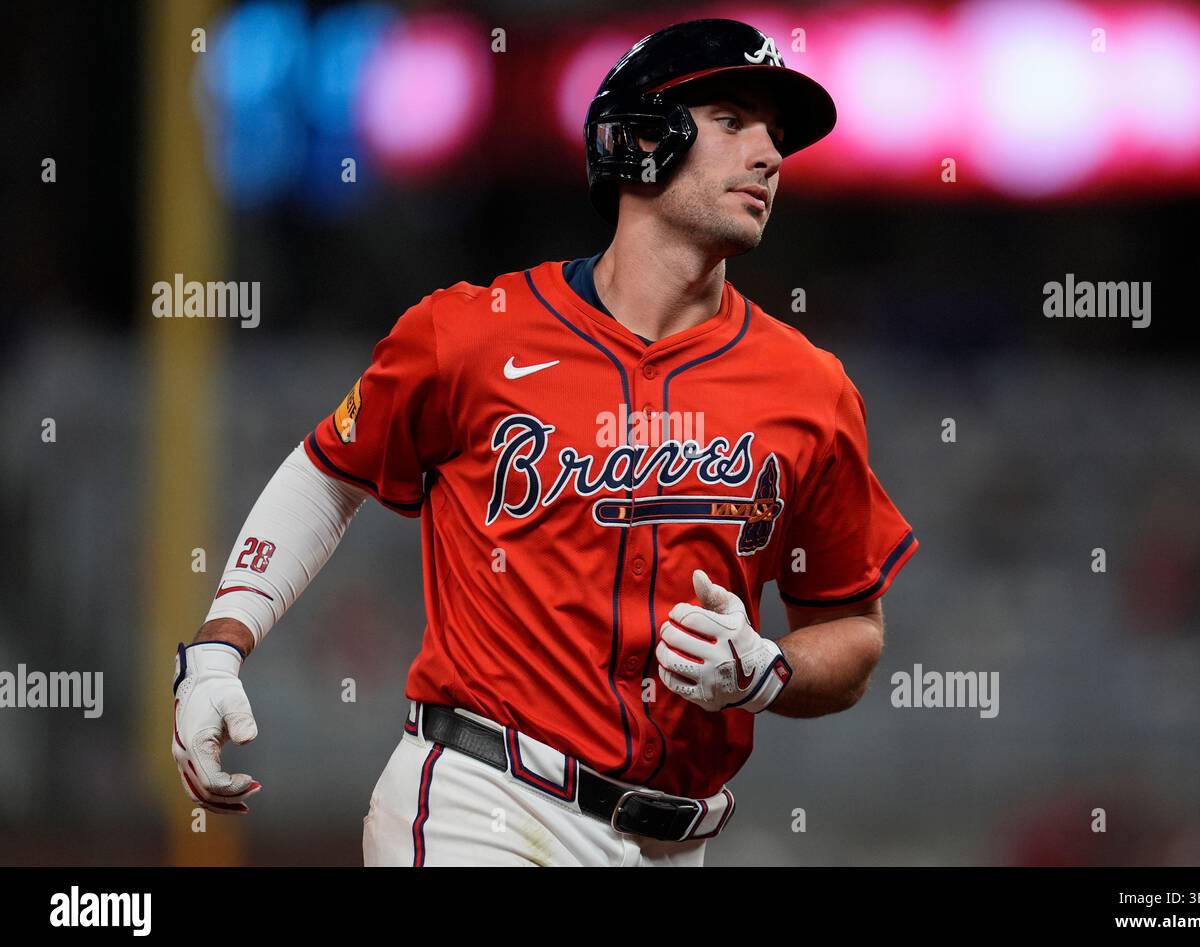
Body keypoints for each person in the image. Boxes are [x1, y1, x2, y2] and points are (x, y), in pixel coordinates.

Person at [170, 17, 918, 867]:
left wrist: (768, 672)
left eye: (776, 137)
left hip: (676, 841)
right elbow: (328, 472)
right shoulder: (472, 334)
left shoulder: (809, 387)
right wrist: (219, 650)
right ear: (643, 139)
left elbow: (853, 629)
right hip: (483, 803)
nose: (770, 156)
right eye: (733, 120)